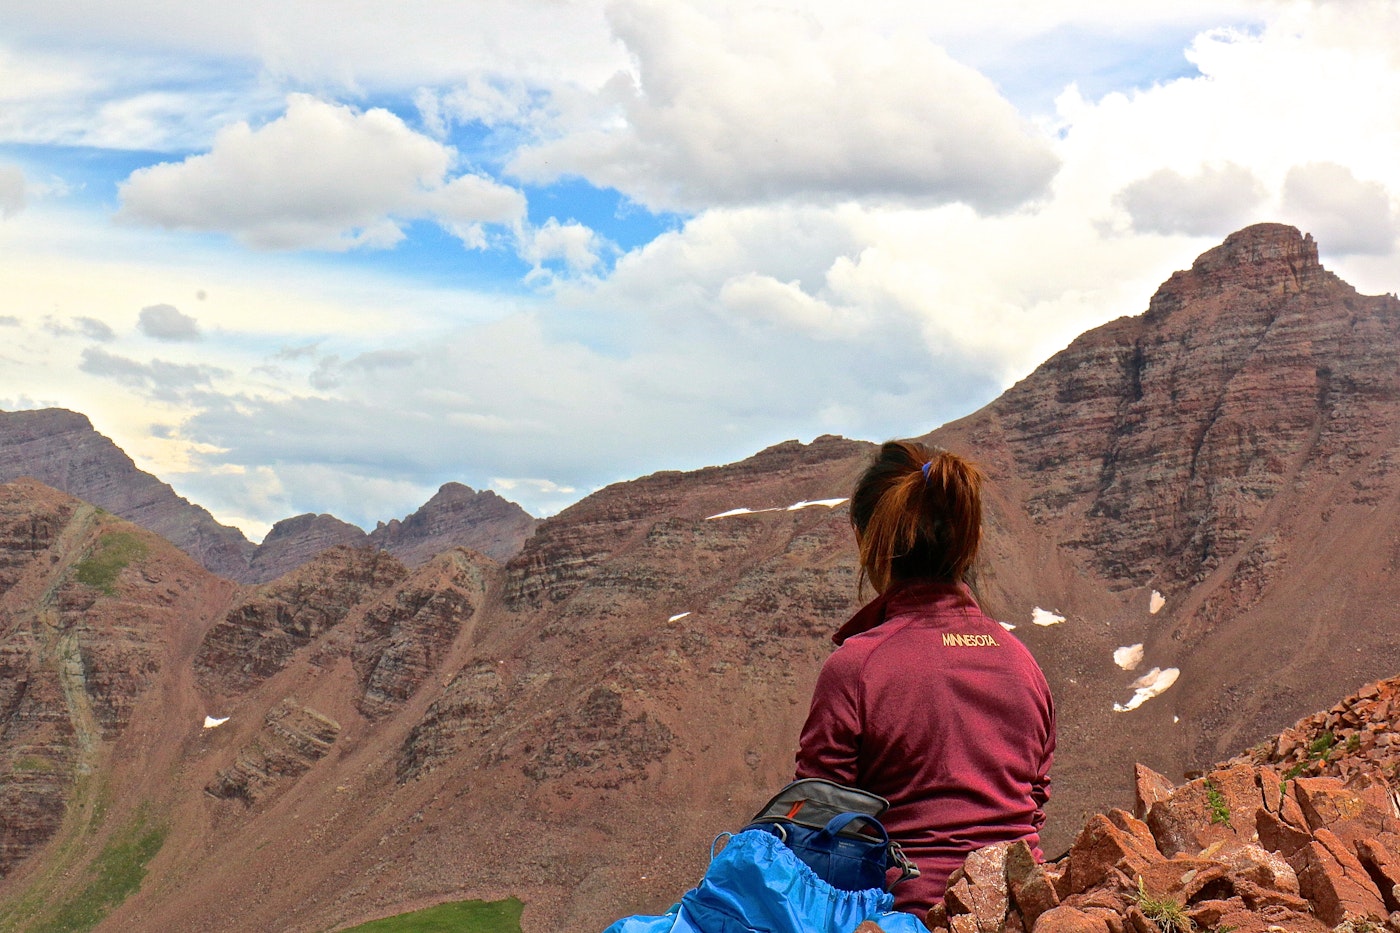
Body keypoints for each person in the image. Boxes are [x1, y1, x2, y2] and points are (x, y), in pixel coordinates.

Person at [794, 440, 1056, 916]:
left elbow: (817, 820)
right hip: (1025, 912)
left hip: (906, 916)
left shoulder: (857, 668)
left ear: (867, 539)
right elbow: (1034, 797)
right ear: (966, 537)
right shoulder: (1022, 661)